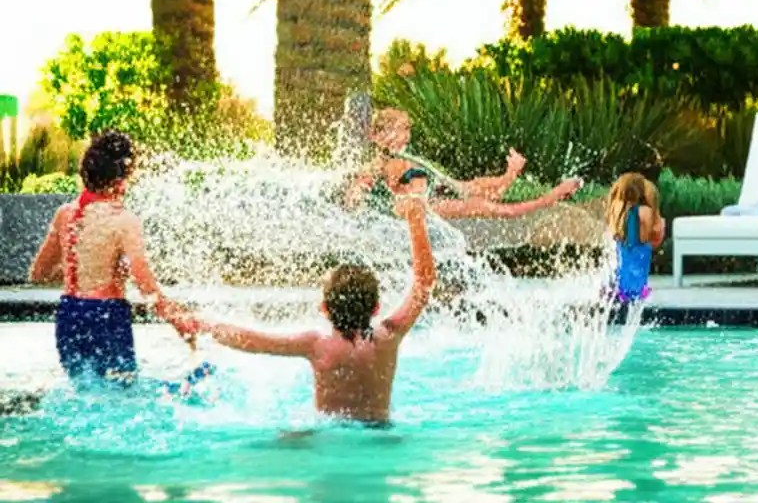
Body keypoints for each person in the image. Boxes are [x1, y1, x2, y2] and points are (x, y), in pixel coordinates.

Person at [191, 194, 437, 426]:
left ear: (324, 309)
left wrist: (201, 325)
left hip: (328, 436)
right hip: (381, 433)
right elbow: (424, 283)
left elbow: (252, 341)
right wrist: (415, 218)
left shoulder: (316, 346)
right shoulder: (388, 337)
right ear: (376, 308)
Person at [27, 130, 199, 387]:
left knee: (84, 391)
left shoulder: (65, 214)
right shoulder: (124, 221)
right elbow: (147, 289)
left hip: (69, 317)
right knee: (120, 394)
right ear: (122, 178)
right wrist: (182, 325)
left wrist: (84, 267)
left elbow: (38, 275)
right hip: (107, 317)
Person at [344, 108, 581, 218]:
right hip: (427, 205)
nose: (407, 135)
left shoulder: (409, 158)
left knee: (482, 188)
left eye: (408, 129)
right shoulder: (381, 163)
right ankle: (553, 195)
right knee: (496, 207)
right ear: (380, 135)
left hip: (436, 194)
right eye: (402, 129)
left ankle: (513, 174)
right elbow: (358, 191)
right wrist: (356, 198)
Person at [605, 173, 664, 302]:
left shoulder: (616, 210)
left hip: (619, 266)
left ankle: (615, 292)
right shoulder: (645, 212)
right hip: (638, 271)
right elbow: (656, 233)